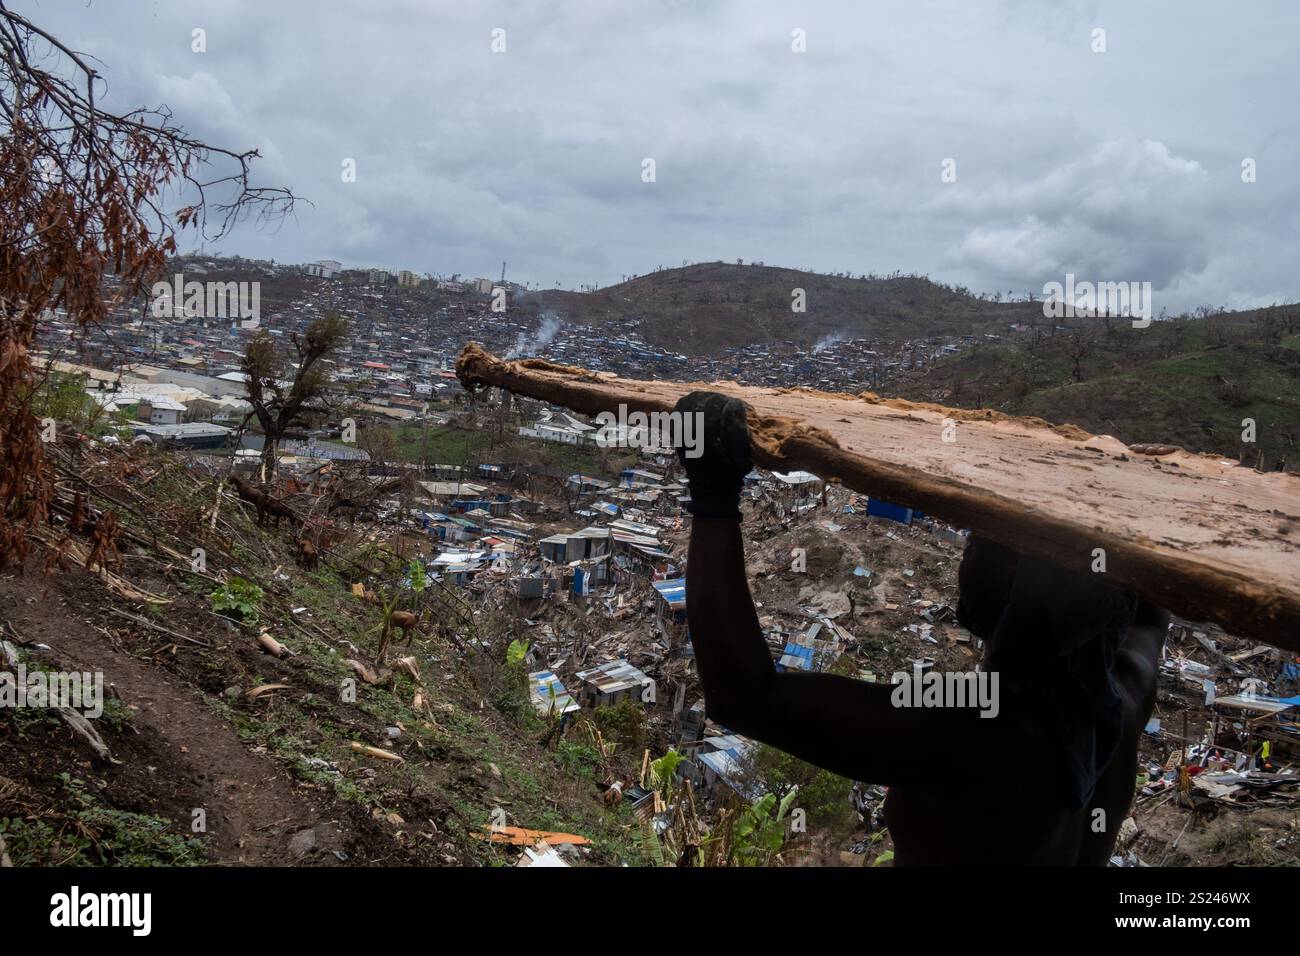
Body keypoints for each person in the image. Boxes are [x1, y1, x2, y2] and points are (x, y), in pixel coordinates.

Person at [675, 391, 1168, 865]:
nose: (970, 548)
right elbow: (1144, 603)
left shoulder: (972, 729)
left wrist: (713, 493)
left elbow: (741, 697)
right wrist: (1126, 486)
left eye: (990, 539)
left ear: (1020, 593)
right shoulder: (1125, 691)